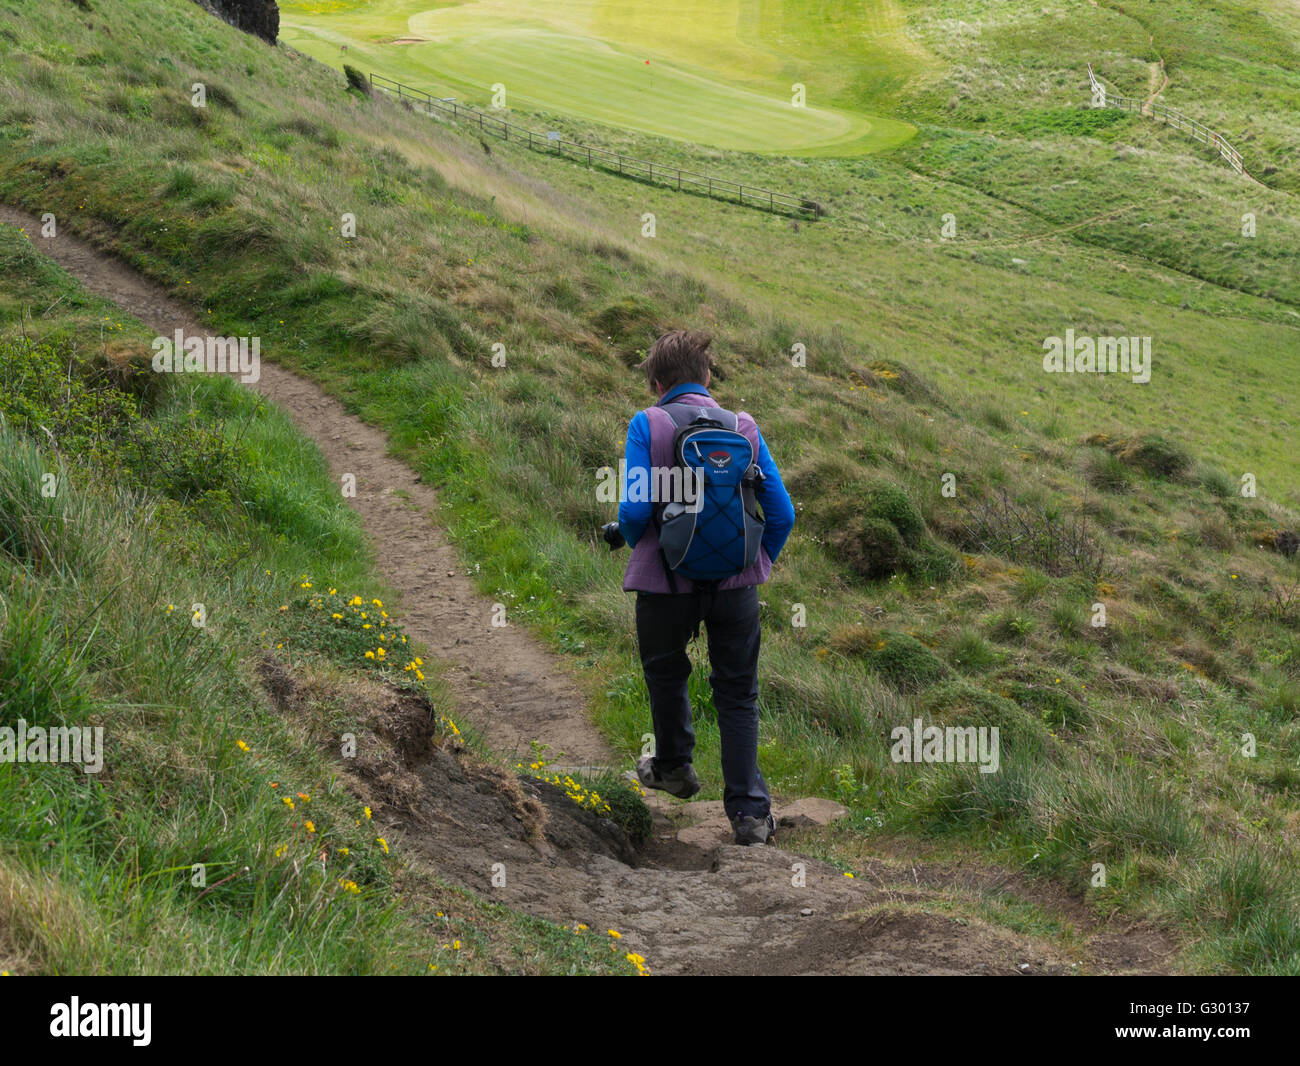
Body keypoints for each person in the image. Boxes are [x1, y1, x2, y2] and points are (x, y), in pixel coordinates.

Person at [615, 329, 795, 845]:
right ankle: (750, 815)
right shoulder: (744, 426)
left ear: (656, 383)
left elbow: (633, 510)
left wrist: (643, 545)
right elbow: (780, 514)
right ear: (708, 377)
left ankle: (674, 769)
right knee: (738, 693)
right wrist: (752, 564)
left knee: (666, 673)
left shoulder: (647, 423)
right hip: (735, 585)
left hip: (665, 583)